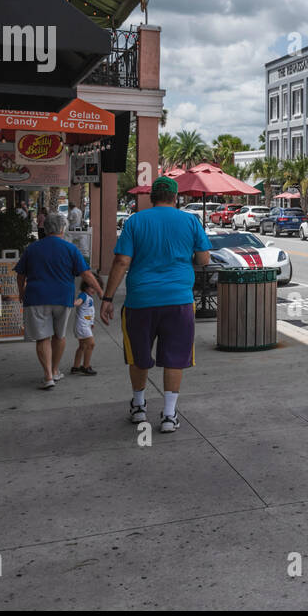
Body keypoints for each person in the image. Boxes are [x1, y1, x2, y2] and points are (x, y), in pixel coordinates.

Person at [99, 176, 211, 433]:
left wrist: (107, 298)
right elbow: (204, 259)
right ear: (175, 197)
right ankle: (170, 415)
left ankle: (139, 407)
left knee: (138, 356)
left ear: (151, 198)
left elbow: (121, 262)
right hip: (179, 301)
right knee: (175, 358)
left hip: (141, 301)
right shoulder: (190, 221)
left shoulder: (135, 221)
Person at [15, 212, 103, 389]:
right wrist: (101, 292)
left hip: (37, 297)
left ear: (45, 228)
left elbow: (20, 274)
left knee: (42, 338)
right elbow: (85, 273)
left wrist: (22, 292)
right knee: (59, 335)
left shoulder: (32, 248)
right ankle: (55, 370)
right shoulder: (70, 249)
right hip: (63, 298)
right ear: (62, 228)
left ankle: (47, 376)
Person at [70, 285, 97, 375]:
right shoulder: (83, 295)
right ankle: (86, 366)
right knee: (91, 344)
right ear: (85, 287)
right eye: (91, 287)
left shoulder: (89, 297)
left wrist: (91, 322)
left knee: (82, 346)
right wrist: (71, 301)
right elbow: (78, 302)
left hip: (85, 325)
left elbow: (89, 311)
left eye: (95, 288)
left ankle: (75, 367)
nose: (94, 290)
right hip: (82, 326)